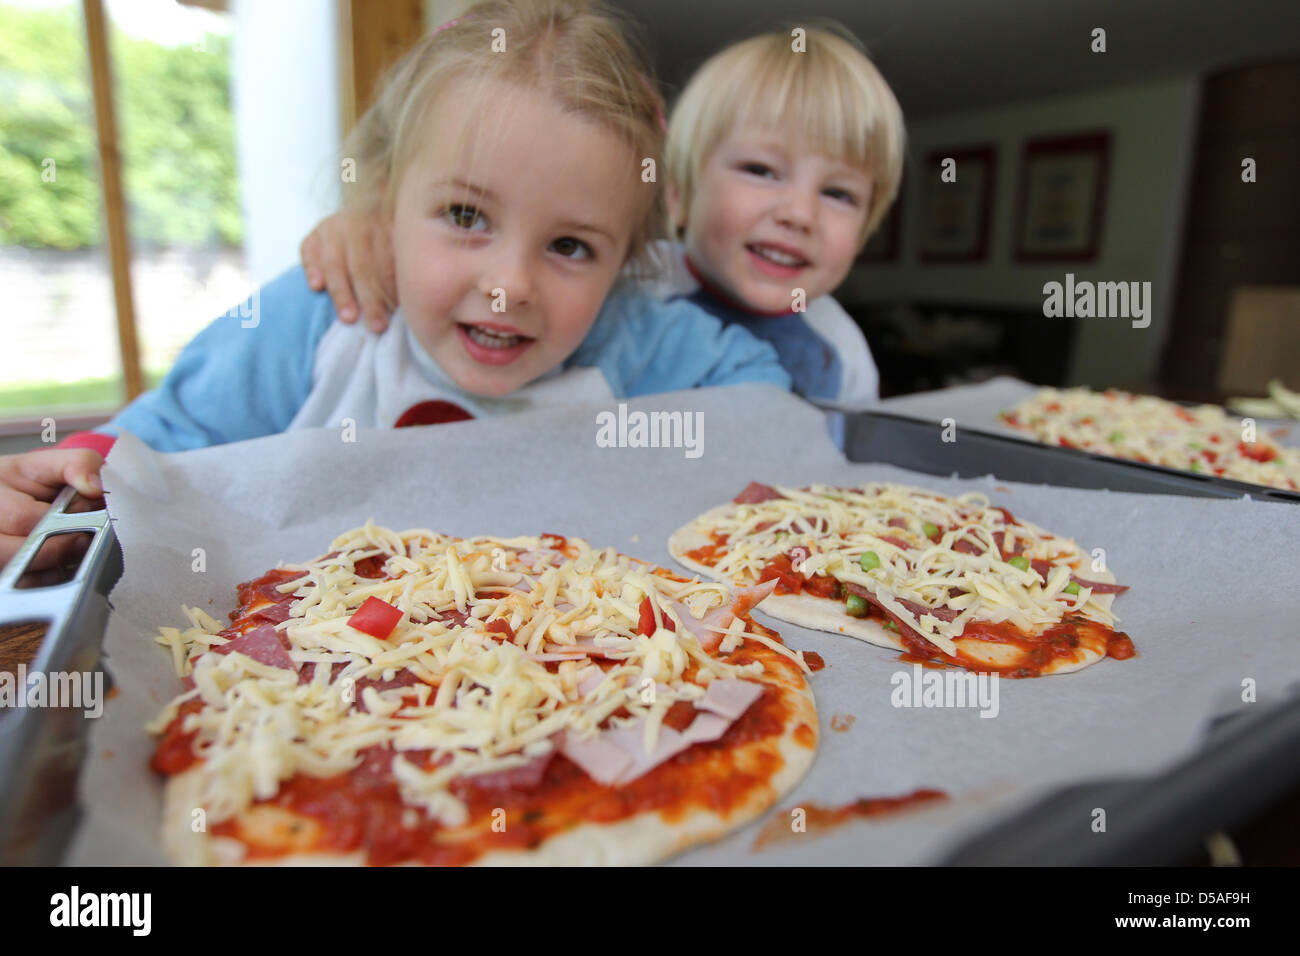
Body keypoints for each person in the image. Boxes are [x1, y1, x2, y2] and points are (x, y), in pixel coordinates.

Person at [0, 0, 789, 575]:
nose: (510, 285)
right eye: (464, 214)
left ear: (625, 263)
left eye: (572, 246)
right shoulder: (321, 313)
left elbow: (765, 406)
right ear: (383, 201)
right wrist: (76, 480)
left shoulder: (631, 337)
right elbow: (171, 436)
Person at [302, 24, 905, 409]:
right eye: (761, 171)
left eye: (840, 194)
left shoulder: (841, 351)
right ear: (676, 193)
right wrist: (364, 224)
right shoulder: (631, 286)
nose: (798, 212)